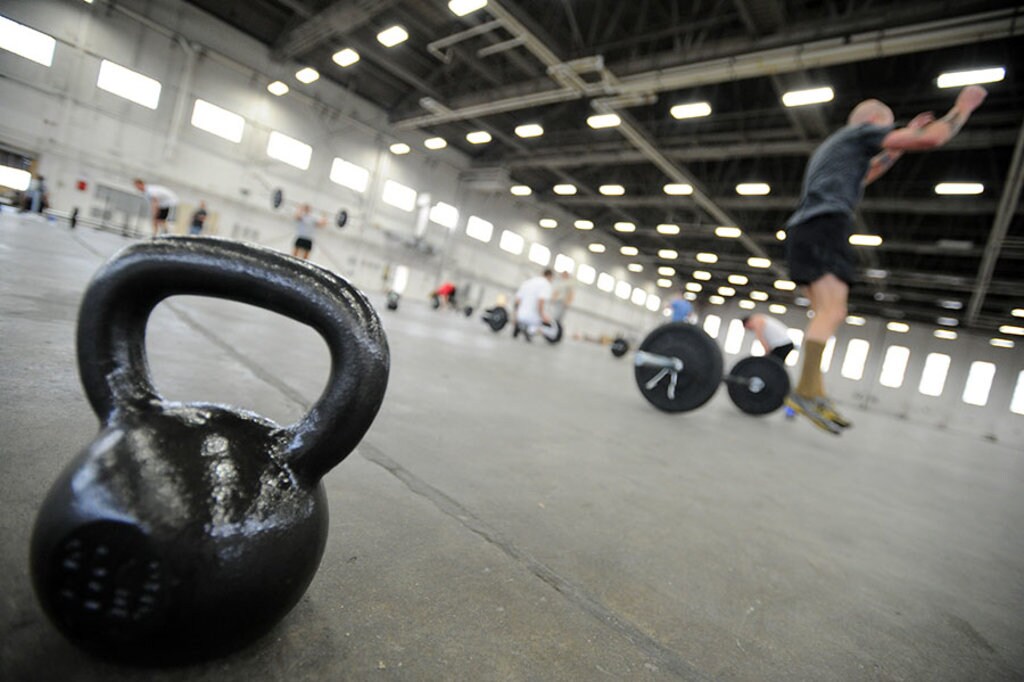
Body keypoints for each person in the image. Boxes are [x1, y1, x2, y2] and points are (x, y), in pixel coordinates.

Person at [783, 85, 988, 434]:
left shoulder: (840, 151)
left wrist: (898, 146)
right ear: (876, 122)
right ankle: (805, 392)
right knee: (833, 312)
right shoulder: (862, 131)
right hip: (824, 226)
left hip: (808, 230)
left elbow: (869, 172)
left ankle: (813, 392)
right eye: (887, 129)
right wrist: (962, 107)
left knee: (827, 314)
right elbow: (933, 139)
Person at [513, 269, 554, 341]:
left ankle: (520, 325)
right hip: (532, 318)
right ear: (550, 276)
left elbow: (517, 301)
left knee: (525, 319)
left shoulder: (528, 282)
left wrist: (516, 316)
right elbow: (540, 302)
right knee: (546, 326)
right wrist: (543, 316)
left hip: (520, 316)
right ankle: (530, 330)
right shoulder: (546, 284)